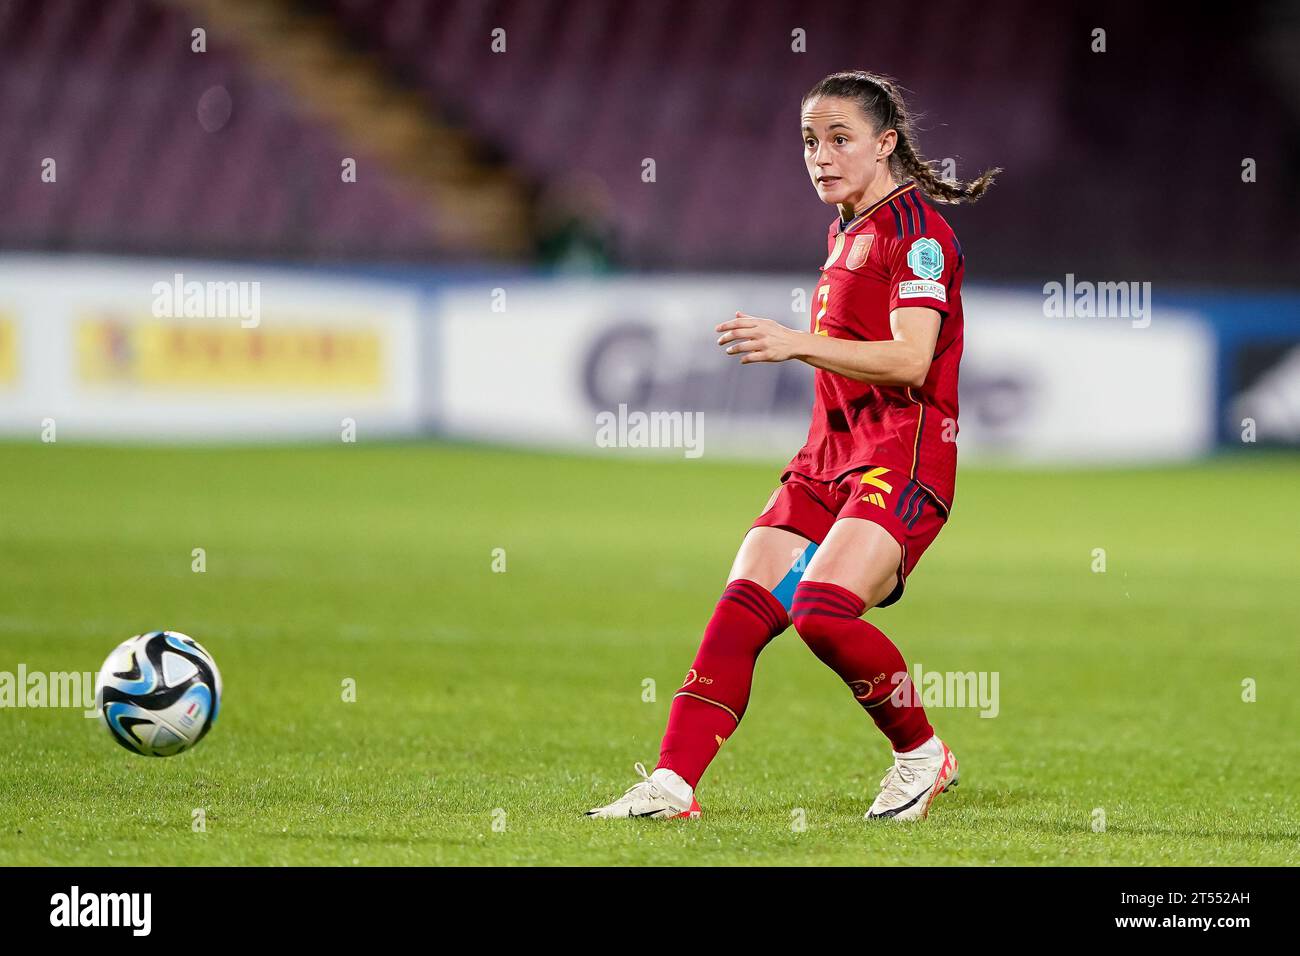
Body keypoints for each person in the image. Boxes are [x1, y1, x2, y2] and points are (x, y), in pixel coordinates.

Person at [587, 71, 999, 822]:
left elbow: (911, 360)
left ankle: (921, 754)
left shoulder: (918, 237)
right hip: (824, 461)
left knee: (821, 613)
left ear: (886, 143)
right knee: (741, 608)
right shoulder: (848, 223)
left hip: (902, 458)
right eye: (810, 140)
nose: (821, 156)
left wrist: (794, 343)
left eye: (840, 138)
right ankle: (673, 785)